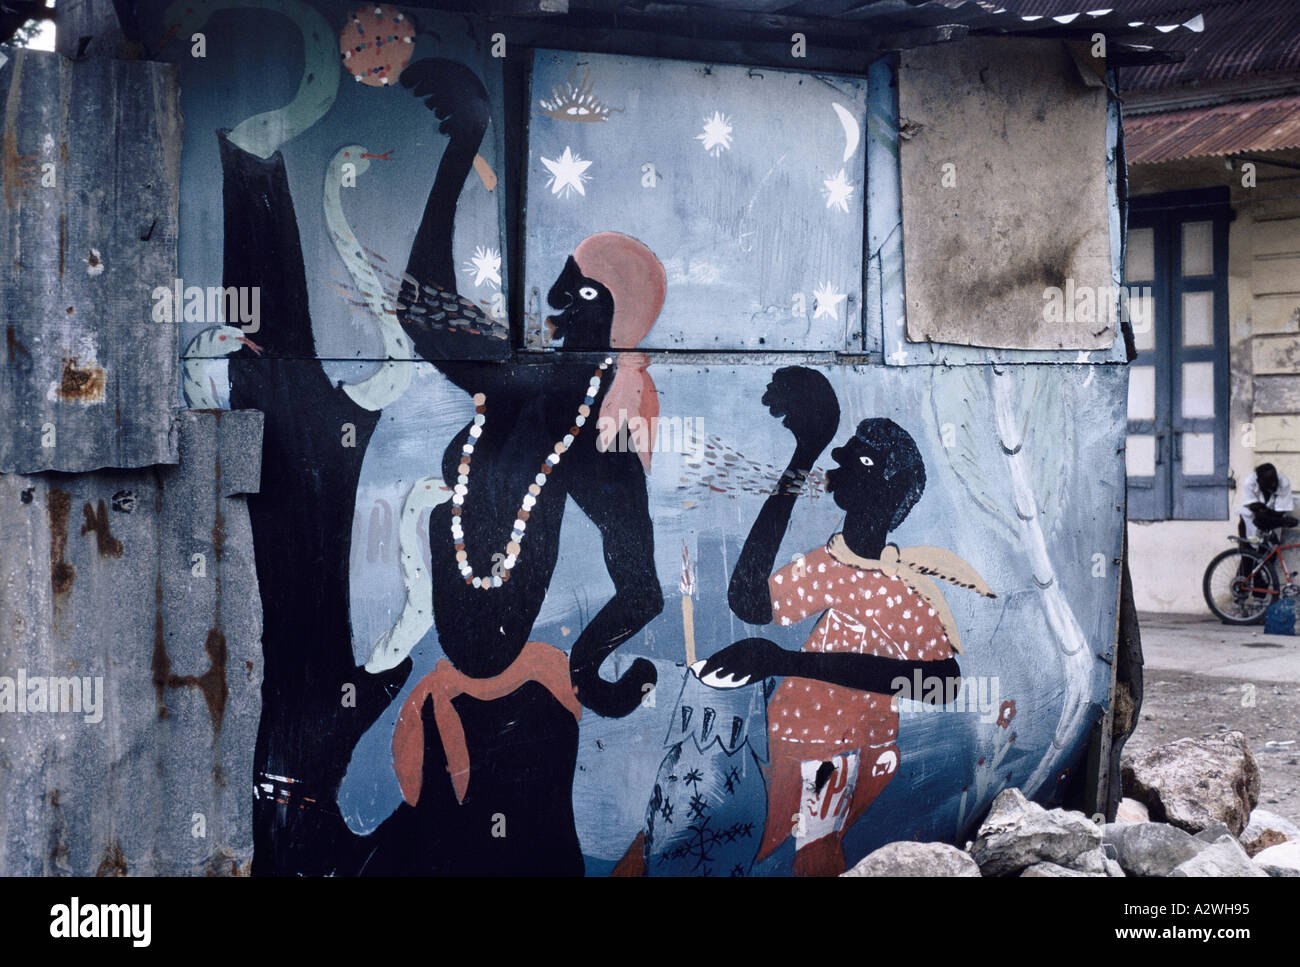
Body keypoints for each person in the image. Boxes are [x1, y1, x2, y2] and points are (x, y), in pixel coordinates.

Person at [698, 367, 996, 876]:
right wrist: (802, 456)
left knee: (815, 856)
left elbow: (942, 684)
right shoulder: (832, 565)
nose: (840, 462)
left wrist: (787, 661)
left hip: (842, 750)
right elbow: (748, 600)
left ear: (883, 488)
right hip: (789, 741)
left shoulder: (901, 590)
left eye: (857, 458)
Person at [1237, 463, 1297, 539]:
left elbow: (1280, 512)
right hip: (1251, 519)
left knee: (1272, 546)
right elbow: (1257, 514)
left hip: (1272, 520)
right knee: (1251, 541)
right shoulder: (1249, 483)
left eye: (1275, 480)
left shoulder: (1283, 482)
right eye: (1269, 482)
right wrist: (1283, 521)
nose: (1274, 485)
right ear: (1258, 481)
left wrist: (1267, 512)